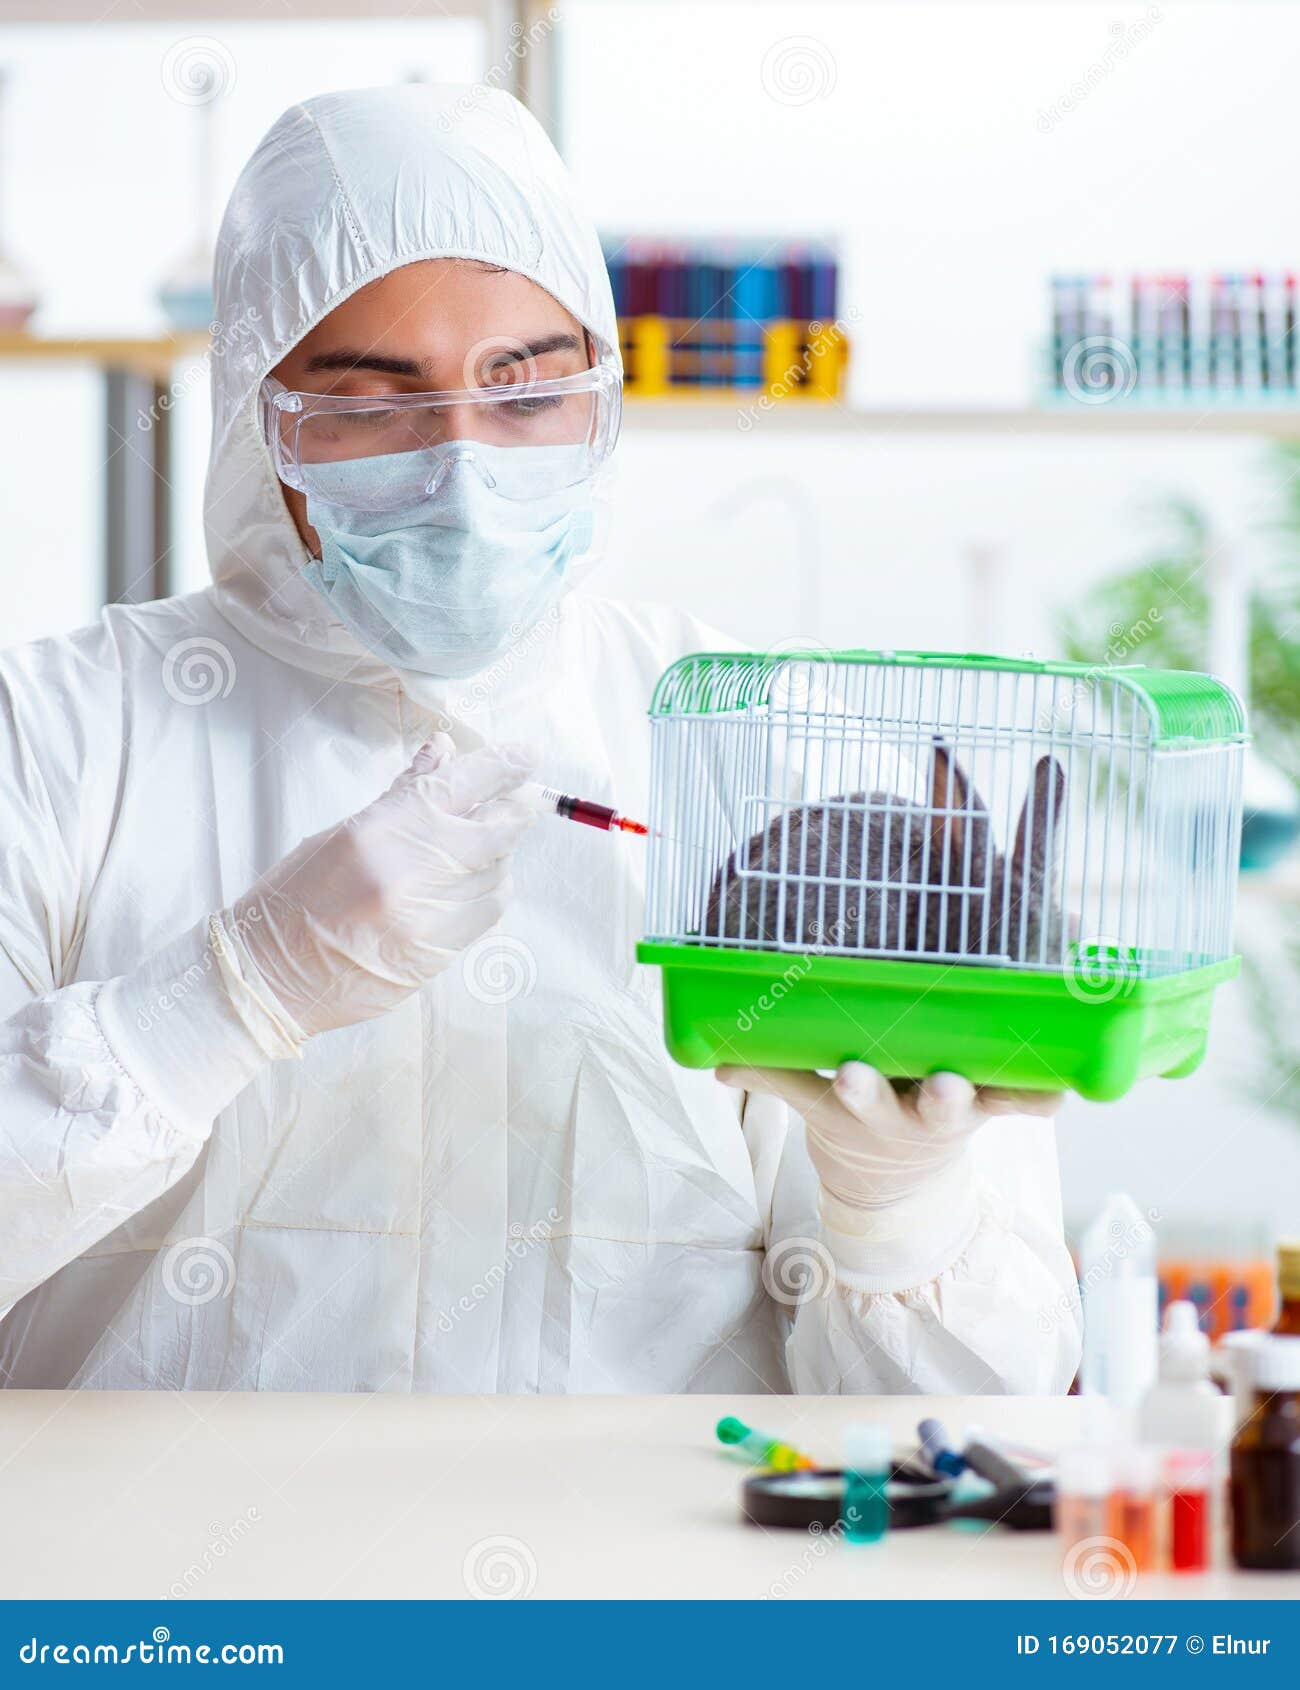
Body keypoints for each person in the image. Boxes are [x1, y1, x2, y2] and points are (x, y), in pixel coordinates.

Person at [0, 85, 1079, 1393]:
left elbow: (949, 1434)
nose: (460, 470)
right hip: (154, 1597)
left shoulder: (743, 748)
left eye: (524, 396)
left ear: (601, 399)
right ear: (260, 421)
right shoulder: (54, 737)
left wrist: (895, 1206)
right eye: (372, 402)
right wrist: (227, 996)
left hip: (628, 1597)